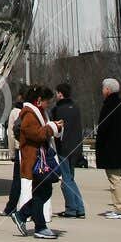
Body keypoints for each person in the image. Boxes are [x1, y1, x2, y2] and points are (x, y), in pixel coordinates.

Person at [10, 88, 61, 239]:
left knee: (43, 192)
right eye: (47, 101)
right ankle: (39, 226)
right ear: (38, 100)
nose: (48, 105)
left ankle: (23, 215)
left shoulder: (38, 114)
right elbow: (37, 134)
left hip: (40, 159)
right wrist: (53, 127)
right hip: (35, 161)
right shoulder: (29, 115)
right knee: (41, 193)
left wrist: (53, 126)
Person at [95, 78, 121, 219]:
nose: (102, 91)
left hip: (112, 149)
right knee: (120, 178)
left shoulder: (110, 105)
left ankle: (120, 209)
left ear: (108, 90)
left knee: (115, 179)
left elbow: (103, 128)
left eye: (103, 89)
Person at [51, 83, 86, 218]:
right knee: (70, 178)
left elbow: (56, 129)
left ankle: (72, 208)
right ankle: (79, 207)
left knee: (66, 179)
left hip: (64, 147)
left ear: (60, 94)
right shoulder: (76, 108)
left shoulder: (58, 110)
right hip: (76, 147)